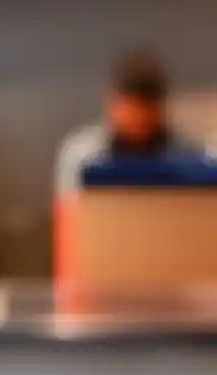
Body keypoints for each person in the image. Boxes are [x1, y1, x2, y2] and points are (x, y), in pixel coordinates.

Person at [54, 50, 202, 249]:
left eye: (145, 113)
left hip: (168, 256)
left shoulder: (188, 156)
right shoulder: (81, 154)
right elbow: (69, 227)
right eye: (130, 111)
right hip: (101, 256)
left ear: (159, 109)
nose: (137, 122)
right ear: (112, 103)